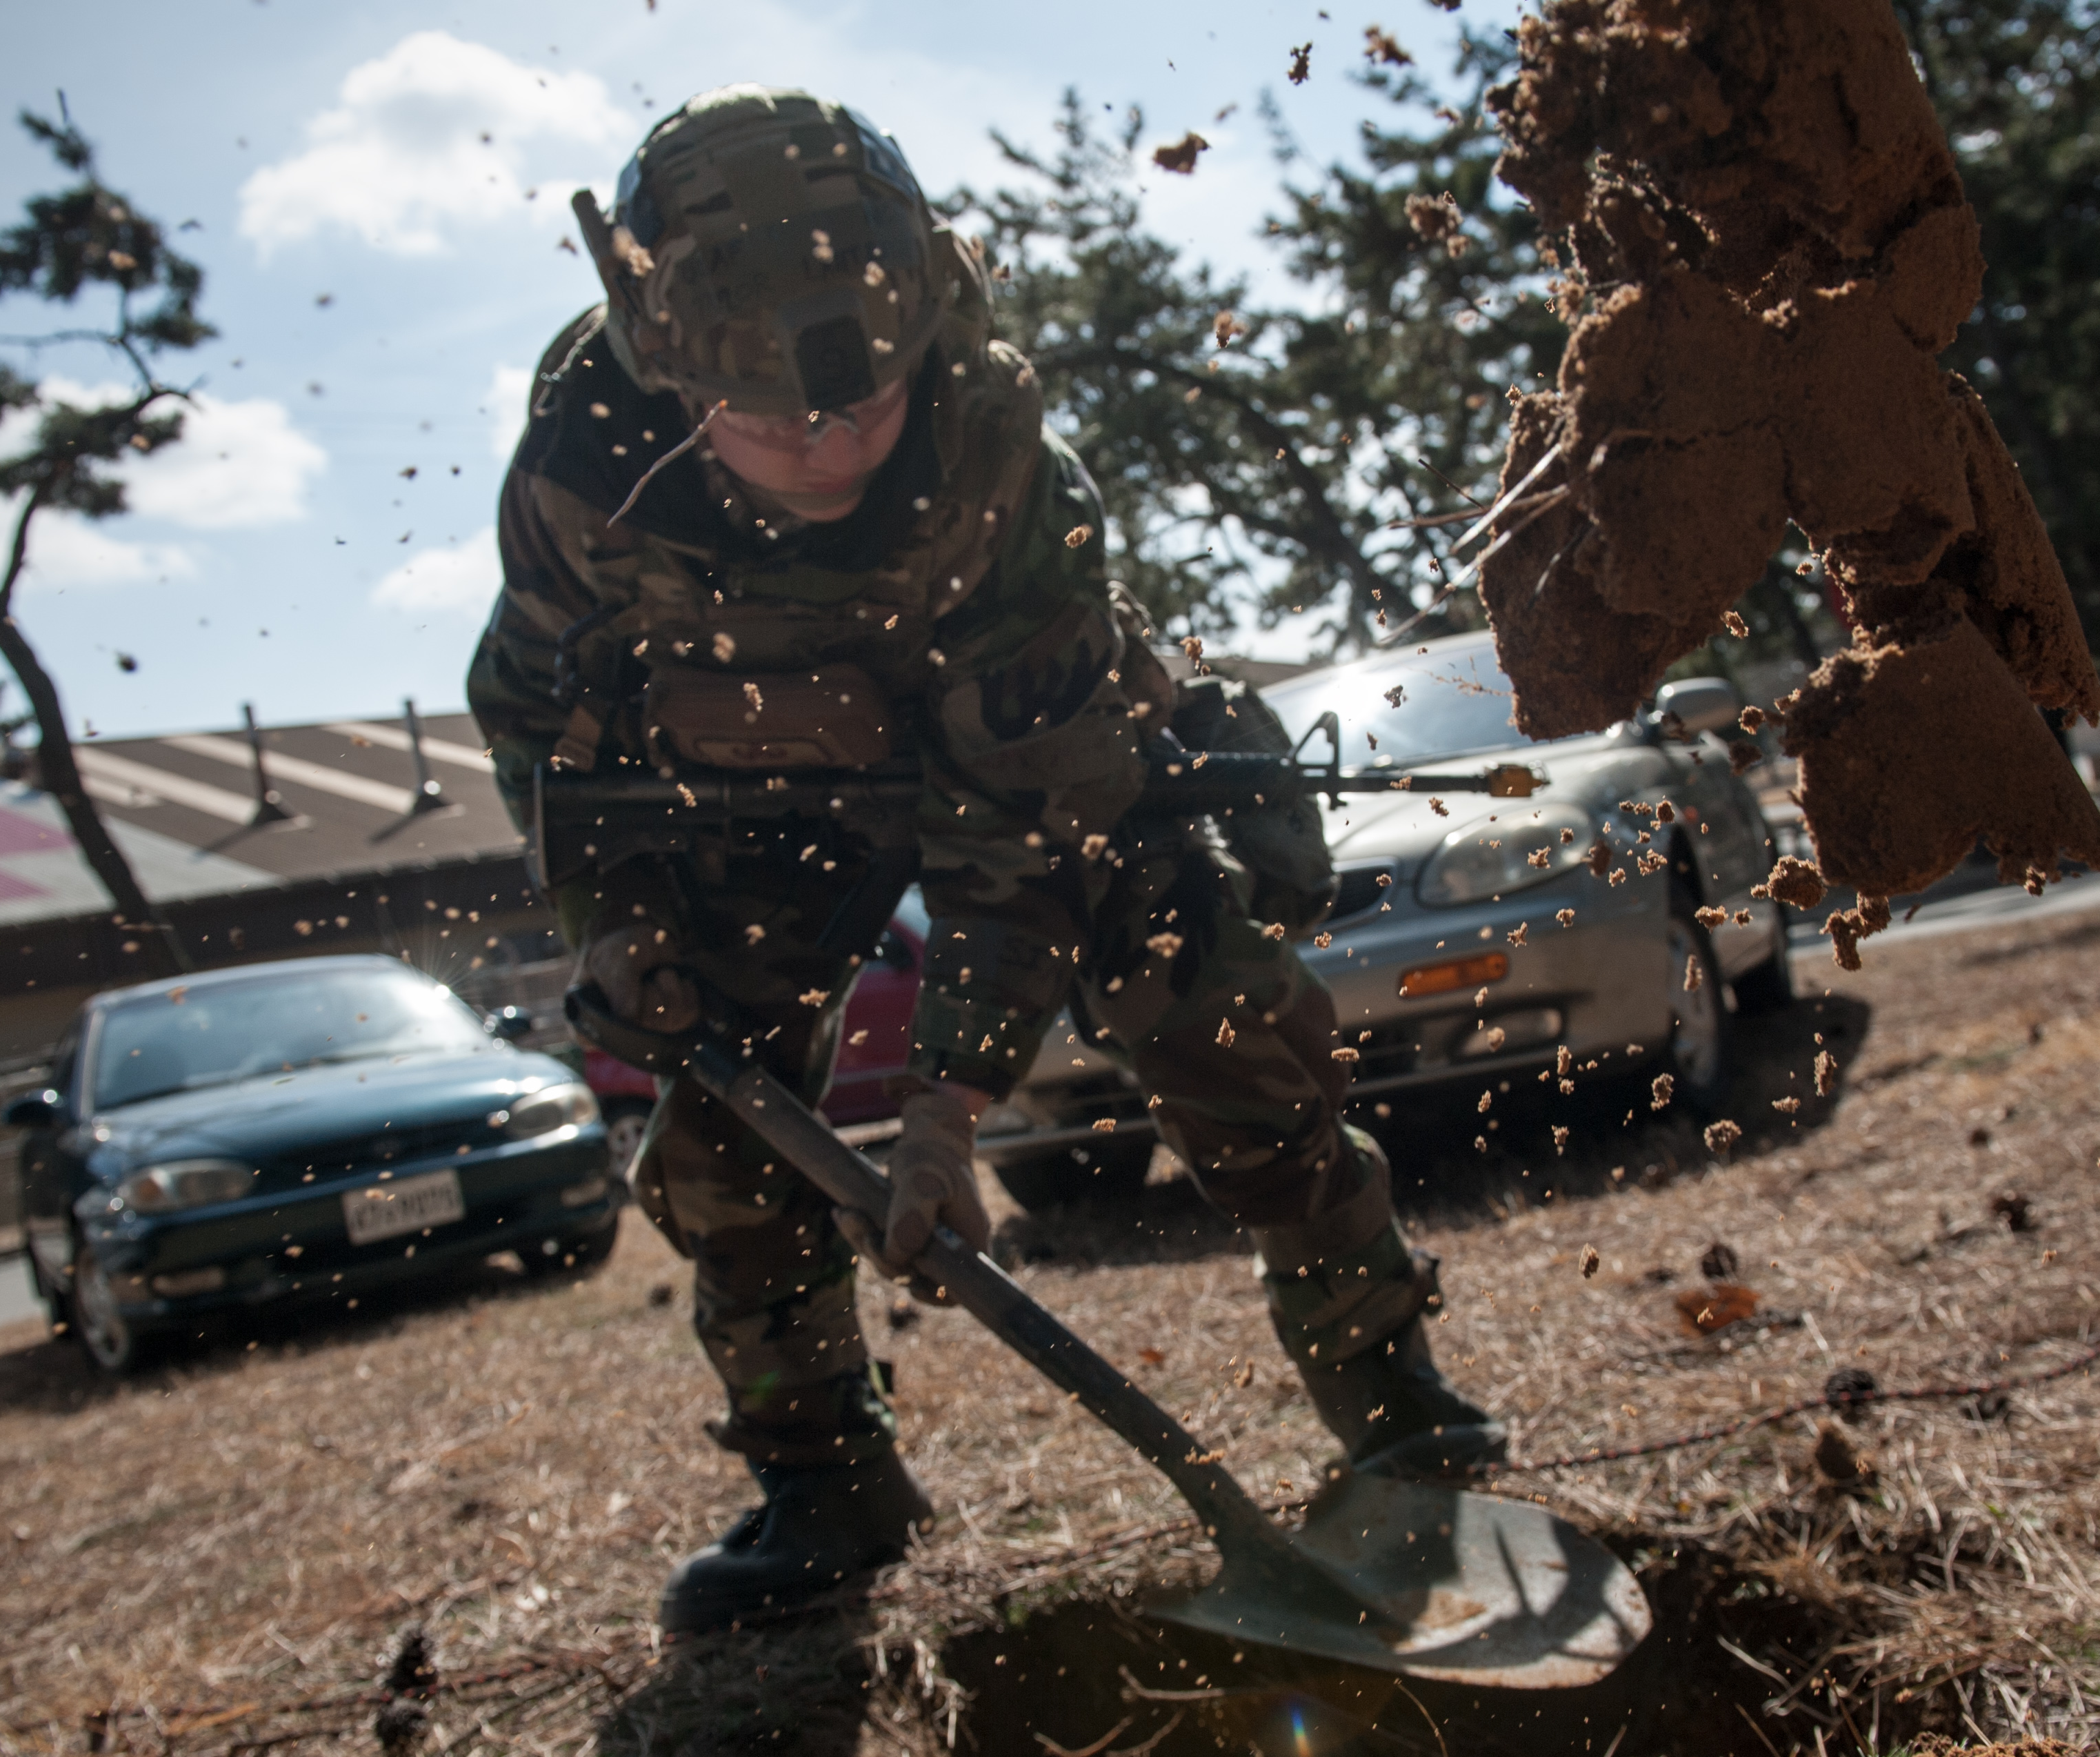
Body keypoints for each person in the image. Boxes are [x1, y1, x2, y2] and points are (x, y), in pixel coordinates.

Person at [466, 85, 1498, 1635]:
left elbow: (1022, 825)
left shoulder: (998, 454)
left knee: (1220, 1007)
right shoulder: (579, 468)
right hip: (750, 789)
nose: (826, 445)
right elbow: (546, 725)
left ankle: (1395, 1405)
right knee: (716, 1124)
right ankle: (823, 1481)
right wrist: (607, 923)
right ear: (672, 371)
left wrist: (945, 1106)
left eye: (862, 403)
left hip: (1032, 759)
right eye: (773, 417)